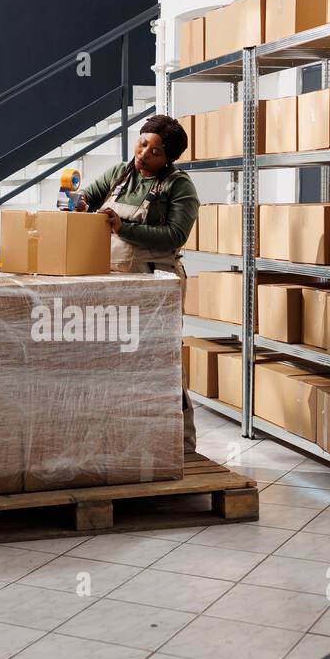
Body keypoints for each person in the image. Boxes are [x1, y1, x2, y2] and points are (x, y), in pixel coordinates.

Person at [77, 115, 200, 453]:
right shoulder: (120, 174)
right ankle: (126, 442)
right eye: (142, 143)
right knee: (117, 362)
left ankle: (181, 445)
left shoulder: (179, 186)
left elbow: (174, 235)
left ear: (169, 158)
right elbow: (87, 195)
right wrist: (81, 203)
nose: (144, 153)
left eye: (155, 151)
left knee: (161, 361)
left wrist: (123, 228)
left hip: (155, 283)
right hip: (115, 282)